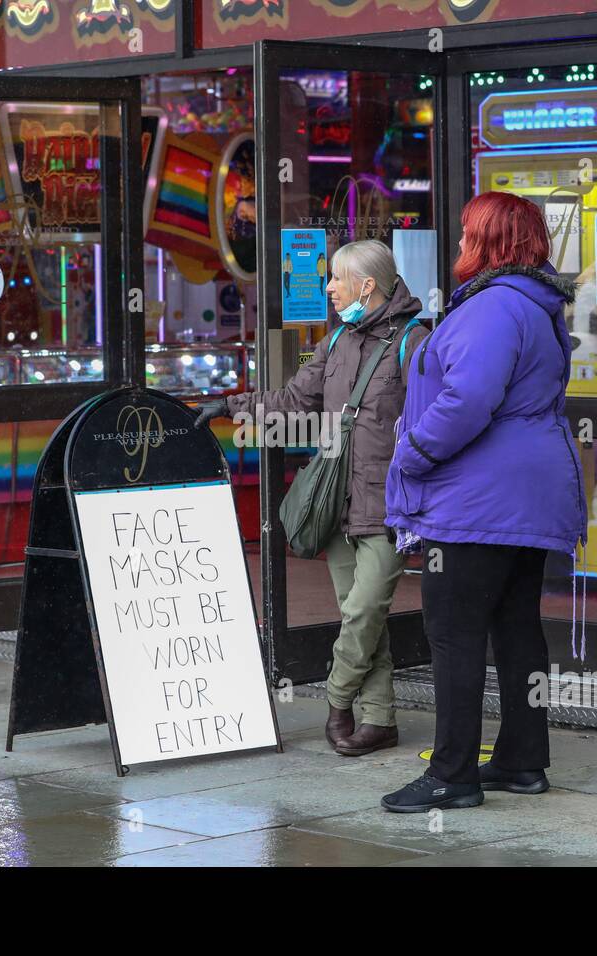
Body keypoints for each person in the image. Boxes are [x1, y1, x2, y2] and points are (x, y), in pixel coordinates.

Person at [381, 191, 586, 812]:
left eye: (467, 231)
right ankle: (523, 761)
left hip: (477, 500)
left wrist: (412, 452)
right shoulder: (534, 303)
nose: (459, 243)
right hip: (525, 495)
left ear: (486, 241)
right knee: (518, 628)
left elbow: (468, 401)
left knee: (454, 635)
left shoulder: (492, 307)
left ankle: (451, 775)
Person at [196, 240, 428, 756]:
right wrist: (228, 405)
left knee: (366, 610)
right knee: (358, 616)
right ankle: (380, 720)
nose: (329, 287)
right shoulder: (337, 340)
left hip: (391, 506)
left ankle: (338, 698)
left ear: (367, 285)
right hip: (337, 502)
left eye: (338, 278)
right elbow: (293, 401)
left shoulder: (416, 343)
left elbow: (436, 424)